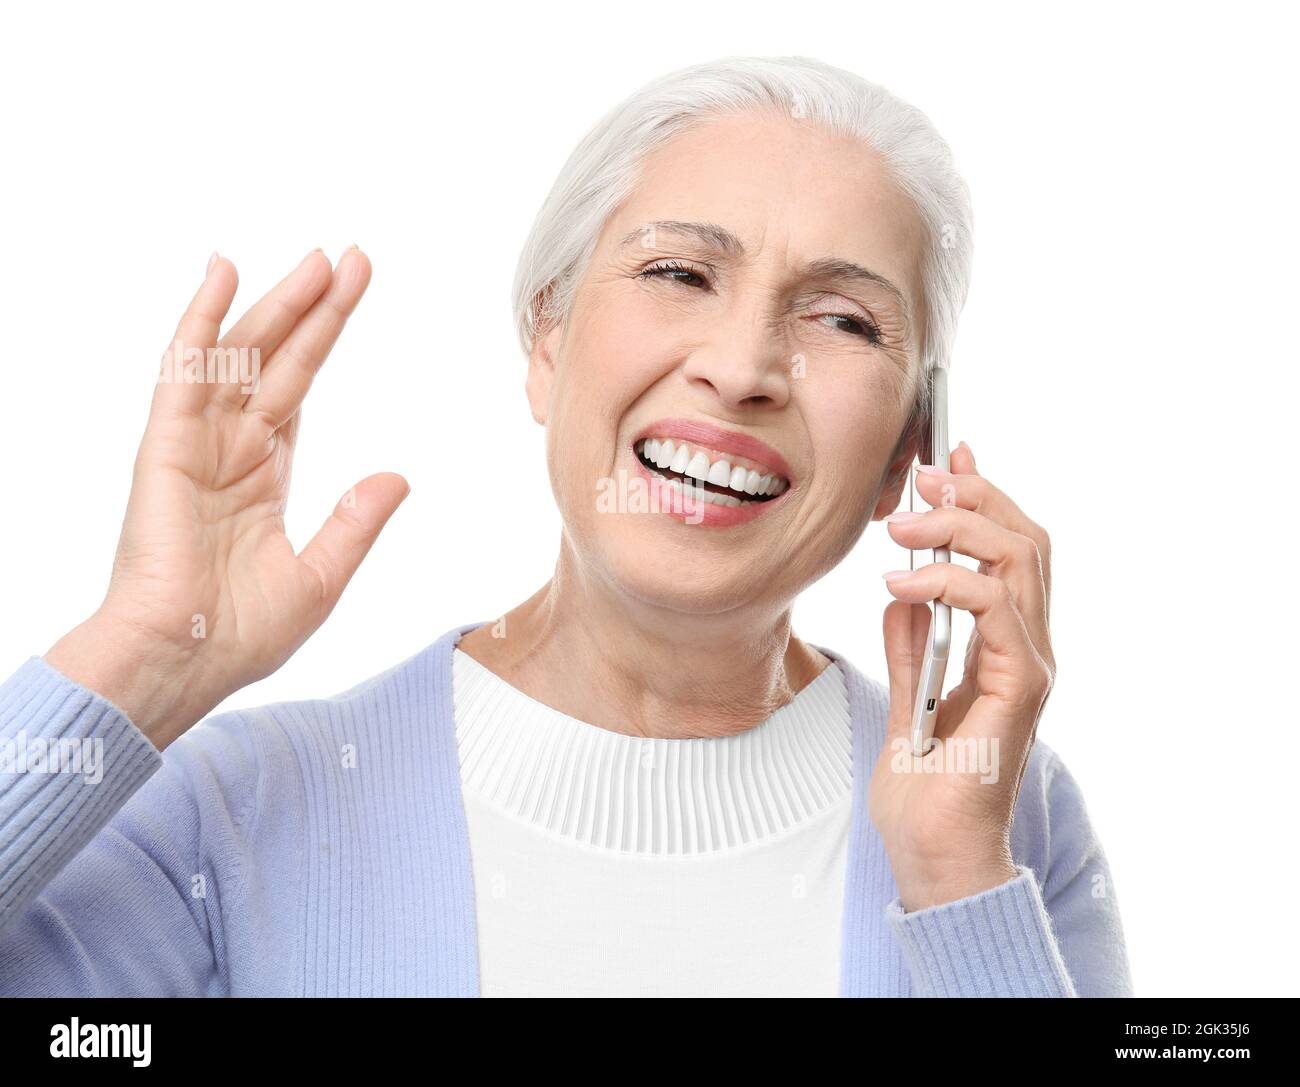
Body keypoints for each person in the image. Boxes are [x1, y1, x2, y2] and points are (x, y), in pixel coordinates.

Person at [0, 55, 1132, 997]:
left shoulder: (1008, 822)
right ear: (547, 343)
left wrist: (956, 881)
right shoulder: (235, 816)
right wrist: (144, 652)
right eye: (679, 271)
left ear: (904, 452)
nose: (742, 366)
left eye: (842, 320)